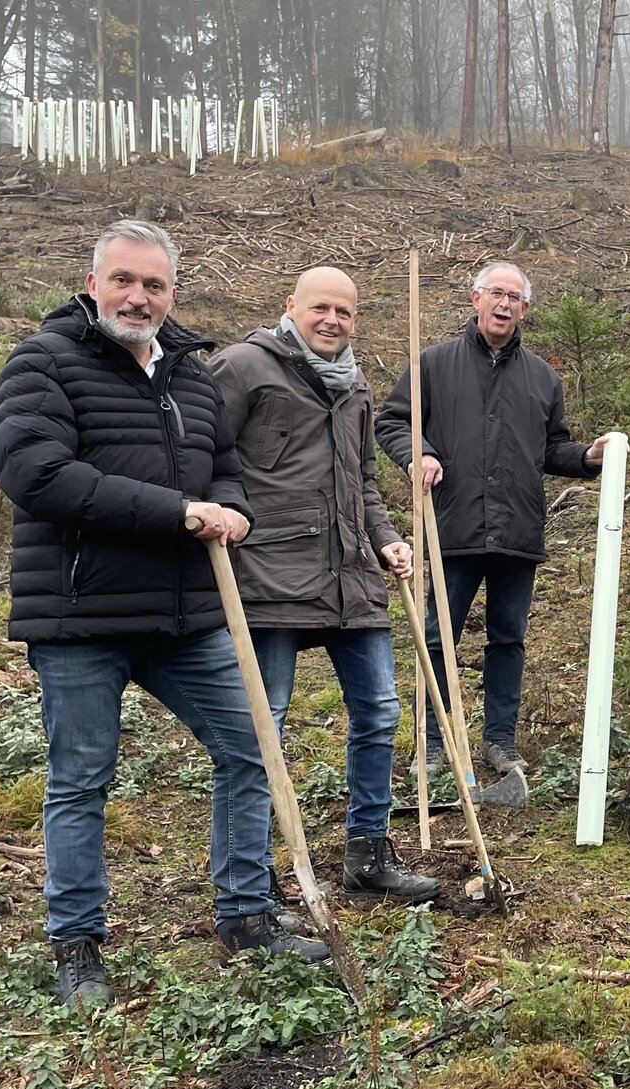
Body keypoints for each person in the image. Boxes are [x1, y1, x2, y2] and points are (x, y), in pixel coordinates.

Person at [0, 220, 327, 1009]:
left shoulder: (191, 376)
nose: (138, 297)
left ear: (172, 293)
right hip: (82, 619)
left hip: (185, 619)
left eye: (154, 285)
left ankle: (246, 915)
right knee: (82, 779)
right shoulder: (45, 362)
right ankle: (78, 946)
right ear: (94, 280)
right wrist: (179, 511)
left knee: (254, 749)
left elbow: (226, 469)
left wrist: (233, 510)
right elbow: (36, 474)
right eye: (124, 281)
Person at [207, 267, 440, 904]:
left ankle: (366, 855)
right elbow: (204, 456)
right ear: (291, 307)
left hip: (352, 578)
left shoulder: (357, 385)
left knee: (380, 712)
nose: (331, 320)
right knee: (263, 727)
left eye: (344, 311)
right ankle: (250, 877)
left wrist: (386, 535)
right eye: (319, 308)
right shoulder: (242, 367)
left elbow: (362, 479)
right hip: (268, 575)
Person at [376, 260, 611, 807]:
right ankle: (431, 745)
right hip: (452, 529)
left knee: (509, 640)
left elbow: (552, 448)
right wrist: (421, 455)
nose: (504, 305)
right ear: (475, 299)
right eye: (495, 294)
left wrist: (588, 457)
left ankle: (500, 744)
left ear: (525, 310)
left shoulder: (542, 377)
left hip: (517, 531)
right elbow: (392, 422)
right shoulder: (432, 364)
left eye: (515, 298)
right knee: (438, 640)